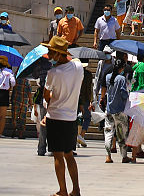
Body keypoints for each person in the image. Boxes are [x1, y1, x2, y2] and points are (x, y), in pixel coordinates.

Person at [43, 35, 85, 196]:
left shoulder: (54, 72)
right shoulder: (78, 67)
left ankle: (63, 190)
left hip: (56, 116)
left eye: (51, 52)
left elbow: (47, 95)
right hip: (71, 118)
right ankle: (76, 189)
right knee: (69, 154)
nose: (49, 55)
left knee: (58, 155)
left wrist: (50, 100)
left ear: (58, 53)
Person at [103, 56, 129, 164]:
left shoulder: (108, 77)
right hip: (120, 110)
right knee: (122, 134)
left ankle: (108, 156)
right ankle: (124, 156)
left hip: (109, 109)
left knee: (108, 132)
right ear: (122, 68)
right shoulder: (122, 79)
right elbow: (123, 93)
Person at [0, 55, 15, 136]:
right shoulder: (9, 71)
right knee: (2, 115)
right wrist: (9, 87)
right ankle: (0, 133)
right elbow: (13, 82)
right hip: (4, 94)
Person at [10, 73, 32, 139]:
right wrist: (31, 102)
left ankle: (14, 129)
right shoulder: (27, 82)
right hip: (24, 102)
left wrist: (11, 98)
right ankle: (21, 133)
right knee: (23, 118)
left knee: (14, 116)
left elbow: (13, 90)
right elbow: (29, 93)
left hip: (16, 100)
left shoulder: (16, 80)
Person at [76, 64, 93, 148]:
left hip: (76, 98)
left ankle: (76, 137)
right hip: (85, 99)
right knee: (87, 117)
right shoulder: (89, 74)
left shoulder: (75, 73)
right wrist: (91, 100)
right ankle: (81, 136)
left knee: (75, 118)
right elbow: (89, 88)